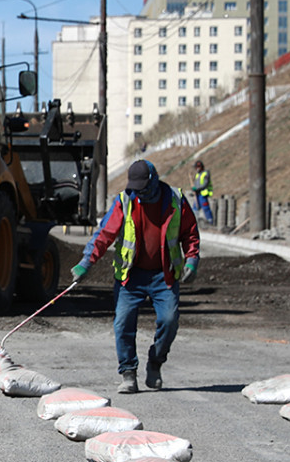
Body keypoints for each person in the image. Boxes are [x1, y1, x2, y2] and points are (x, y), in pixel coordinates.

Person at [71, 160, 201, 394]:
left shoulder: (175, 199)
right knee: (123, 322)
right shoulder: (125, 201)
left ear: (153, 180)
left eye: (143, 187)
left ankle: (156, 362)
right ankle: (128, 373)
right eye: (135, 187)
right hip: (131, 276)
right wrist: (85, 263)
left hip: (164, 275)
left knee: (169, 321)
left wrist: (192, 259)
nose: (138, 191)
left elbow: (190, 233)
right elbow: (104, 234)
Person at [191, 160, 215, 225]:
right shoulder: (197, 174)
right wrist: (193, 189)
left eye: (198, 167)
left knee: (205, 208)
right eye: (196, 167)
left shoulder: (205, 173)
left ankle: (210, 221)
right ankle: (194, 221)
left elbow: (205, 184)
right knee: (195, 207)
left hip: (203, 194)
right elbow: (196, 183)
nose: (197, 168)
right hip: (197, 194)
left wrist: (197, 188)